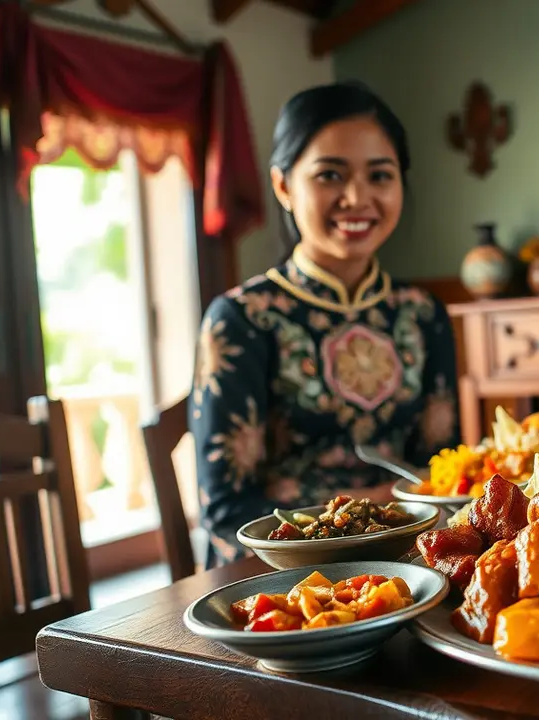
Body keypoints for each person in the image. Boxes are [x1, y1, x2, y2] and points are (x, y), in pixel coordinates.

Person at [189, 82, 459, 568]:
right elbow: (228, 511)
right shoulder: (242, 320)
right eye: (330, 175)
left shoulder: (423, 314)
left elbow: (443, 473)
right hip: (280, 583)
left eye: (380, 175)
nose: (357, 197)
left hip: (408, 566)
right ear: (283, 186)